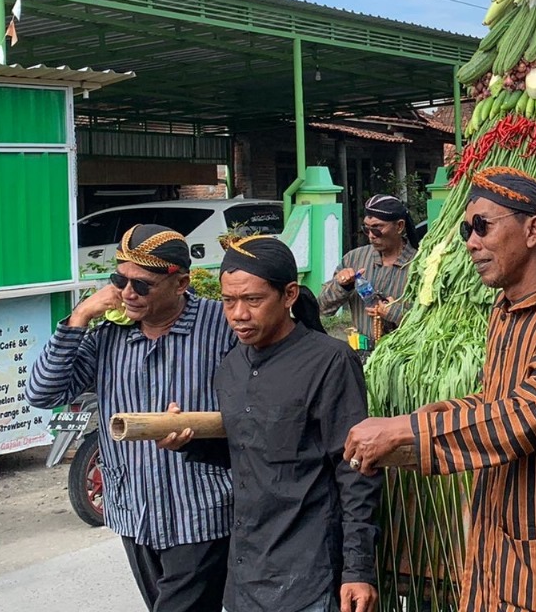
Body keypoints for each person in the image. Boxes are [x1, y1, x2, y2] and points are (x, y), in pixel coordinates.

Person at [341, 167, 536, 612]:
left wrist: (407, 431)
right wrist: (415, 423)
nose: (471, 242)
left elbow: (529, 413)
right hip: (501, 566)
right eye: (466, 229)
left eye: (483, 226)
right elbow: (492, 403)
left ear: (533, 228)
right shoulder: (505, 310)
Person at [158, 236, 380, 612]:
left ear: (289, 294)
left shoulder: (329, 362)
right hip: (247, 571)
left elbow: (355, 469)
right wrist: (190, 441)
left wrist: (358, 570)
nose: (238, 314)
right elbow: (253, 452)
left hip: (309, 574)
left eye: (253, 300)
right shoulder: (231, 367)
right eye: (229, 301)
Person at [25, 226, 234, 612]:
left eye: (142, 285)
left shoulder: (221, 326)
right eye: (119, 280)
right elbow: (43, 393)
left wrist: (203, 431)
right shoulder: (108, 334)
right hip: (135, 511)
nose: (127, 293)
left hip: (204, 508)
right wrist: (81, 316)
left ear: (181, 282)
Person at [319, 194, 418, 355]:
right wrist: (342, 286)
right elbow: (323, 308)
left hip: (402, 358)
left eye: (377, 229)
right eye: (366, 228)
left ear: (399, 226)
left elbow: (430, 322)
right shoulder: (354, 258)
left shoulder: (420, 265)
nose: (371, 235)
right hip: (359, 355)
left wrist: (394, 313)